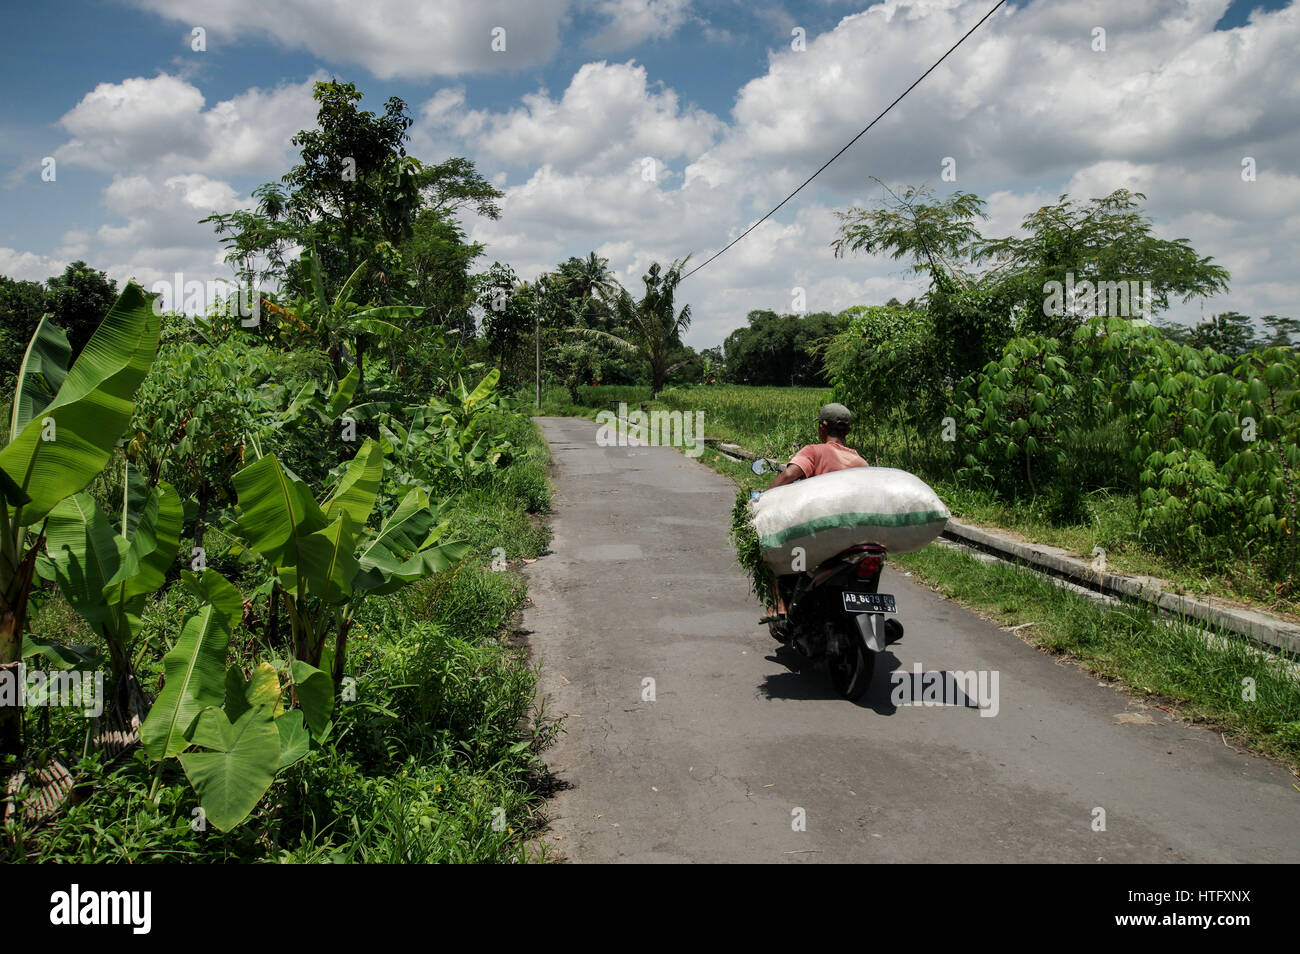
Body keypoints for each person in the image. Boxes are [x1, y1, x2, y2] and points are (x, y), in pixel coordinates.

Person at [761, 403, 869, 622]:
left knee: (768, 550)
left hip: (819, 535)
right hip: (853, 538)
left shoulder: (814, 451)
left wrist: (764, 498)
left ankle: (778, 605)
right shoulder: (861, 463)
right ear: (847, 431)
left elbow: (790, 476)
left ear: (822, 426)